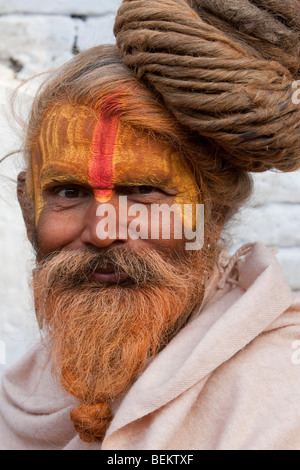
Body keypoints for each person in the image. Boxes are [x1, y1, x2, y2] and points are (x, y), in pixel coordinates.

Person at [0, 0, 300, 450]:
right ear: (29, 208)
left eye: (143, 190)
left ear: (212, 217)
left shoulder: (283, 396)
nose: (103, 232)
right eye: (68, 192)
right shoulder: (24, 388)